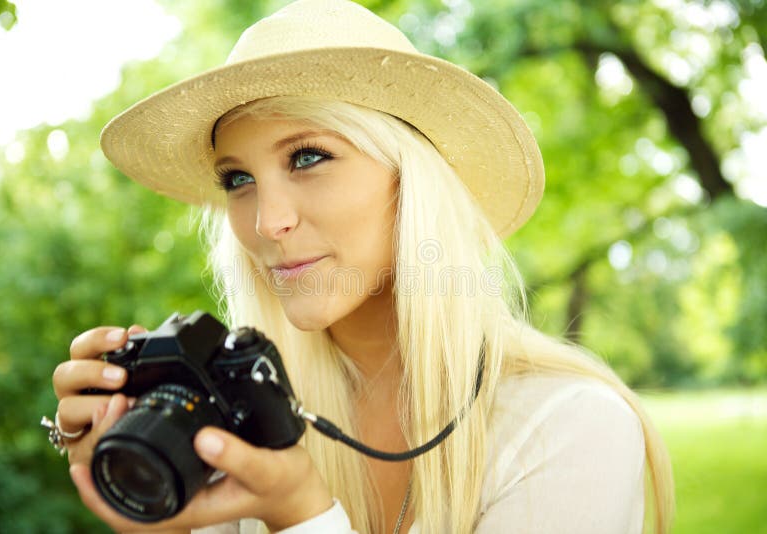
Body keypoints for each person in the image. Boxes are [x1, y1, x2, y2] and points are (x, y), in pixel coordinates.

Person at [46, 0, 675, 532]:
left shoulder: (568, 425)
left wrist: (300, 513)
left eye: (308, 157)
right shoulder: (236, 423)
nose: (267, 221)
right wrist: (149, 481)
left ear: (413, 182)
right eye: (238, 178)